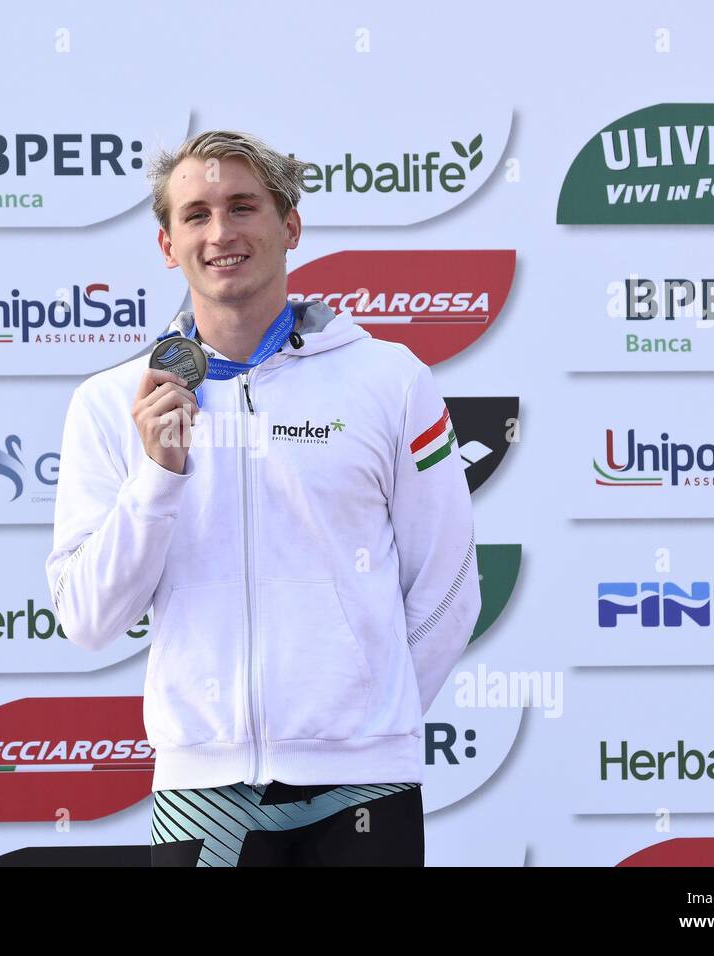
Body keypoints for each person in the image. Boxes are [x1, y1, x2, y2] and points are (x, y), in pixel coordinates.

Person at [46, 130, 480, 866]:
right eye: (197, 214)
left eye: (243, 206)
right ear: (166, 243)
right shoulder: (110, 402)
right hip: (201, 794)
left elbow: (449, 586)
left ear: (291, 226)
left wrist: (370, 719)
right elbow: (88, 619)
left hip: (362, 786)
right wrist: (158, 476)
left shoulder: (389, 380)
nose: (221, 233)